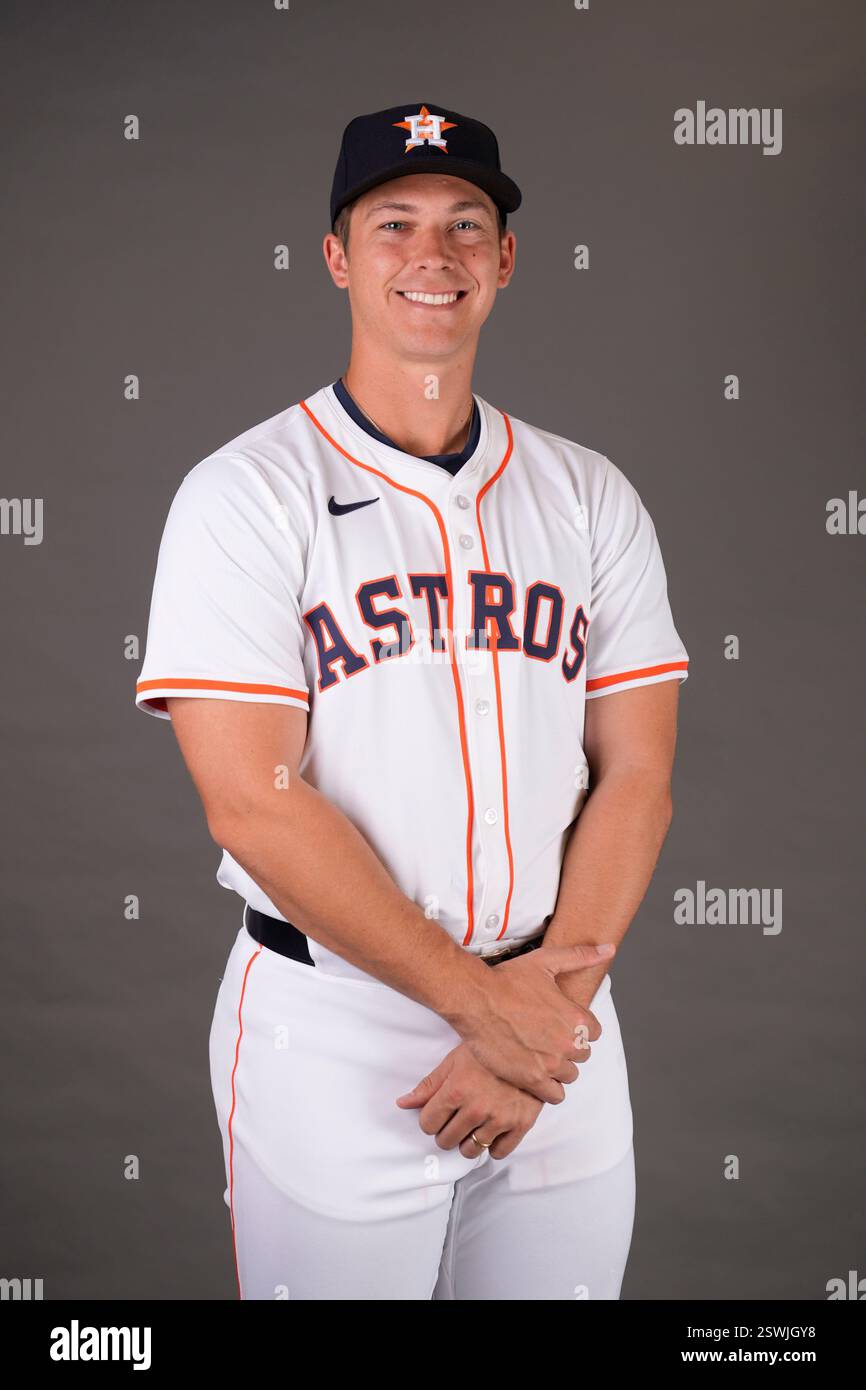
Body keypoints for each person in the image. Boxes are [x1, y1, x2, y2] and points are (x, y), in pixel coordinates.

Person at [134, 101, 689, 1300]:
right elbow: (251, 806)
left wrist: (534, 1019)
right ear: (336, 256)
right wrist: (480, 1010)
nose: (430, 256)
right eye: (393, 224)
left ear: (503, 260)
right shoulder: (245, 494)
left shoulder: (588, 495)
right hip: (333, 1024)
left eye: (464, 224)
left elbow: (635, 772)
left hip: (559, 1015)